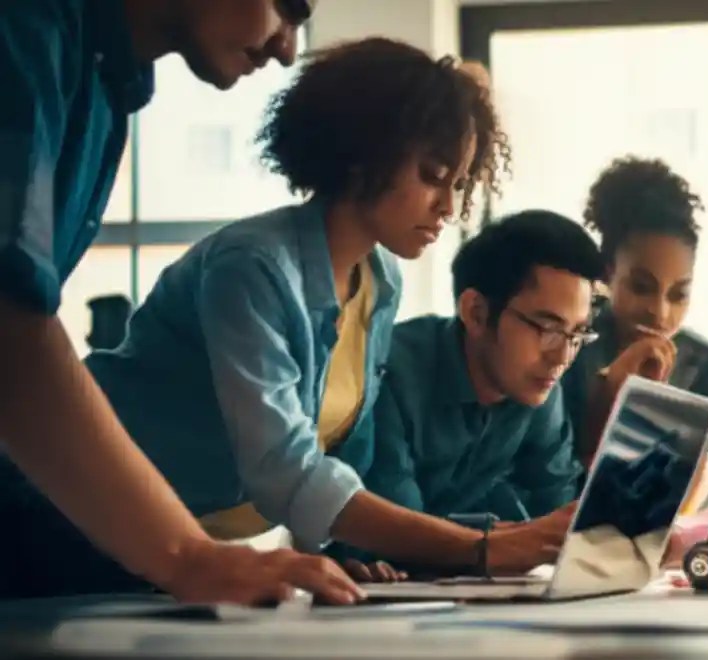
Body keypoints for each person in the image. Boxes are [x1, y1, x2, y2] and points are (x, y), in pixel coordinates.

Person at [0, 35, 513, 597]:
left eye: (458, 186)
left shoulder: (379, 281)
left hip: (165, 547)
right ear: (365, 154)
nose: (446, 206)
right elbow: (284, 468)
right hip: (63, 514)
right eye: (433, 177)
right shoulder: (252, 266)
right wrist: (481, 547)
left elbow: (349, 451)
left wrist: (354, 552)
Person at [0, 0, 371, 604]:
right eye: (289, 7)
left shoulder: (107, 84)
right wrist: (187, 556)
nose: (286, 49)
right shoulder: (24, 29)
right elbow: (10, 336)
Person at [356, 210, 601, 572]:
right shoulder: (390, 374)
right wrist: (512, 536)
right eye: (547, 328)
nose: (562, 356)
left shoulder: (538, 388)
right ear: (476, 313)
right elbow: (399, 535)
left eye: (577, 335)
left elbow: (559, 521)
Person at [562, 157, 708, 473]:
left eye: (679, 294)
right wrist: (611, 390)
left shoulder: (707, 367)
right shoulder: (568, 348)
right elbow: (562, 478)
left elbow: (682, 487)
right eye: (642, 287)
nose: (660, 313)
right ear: (608, 274)